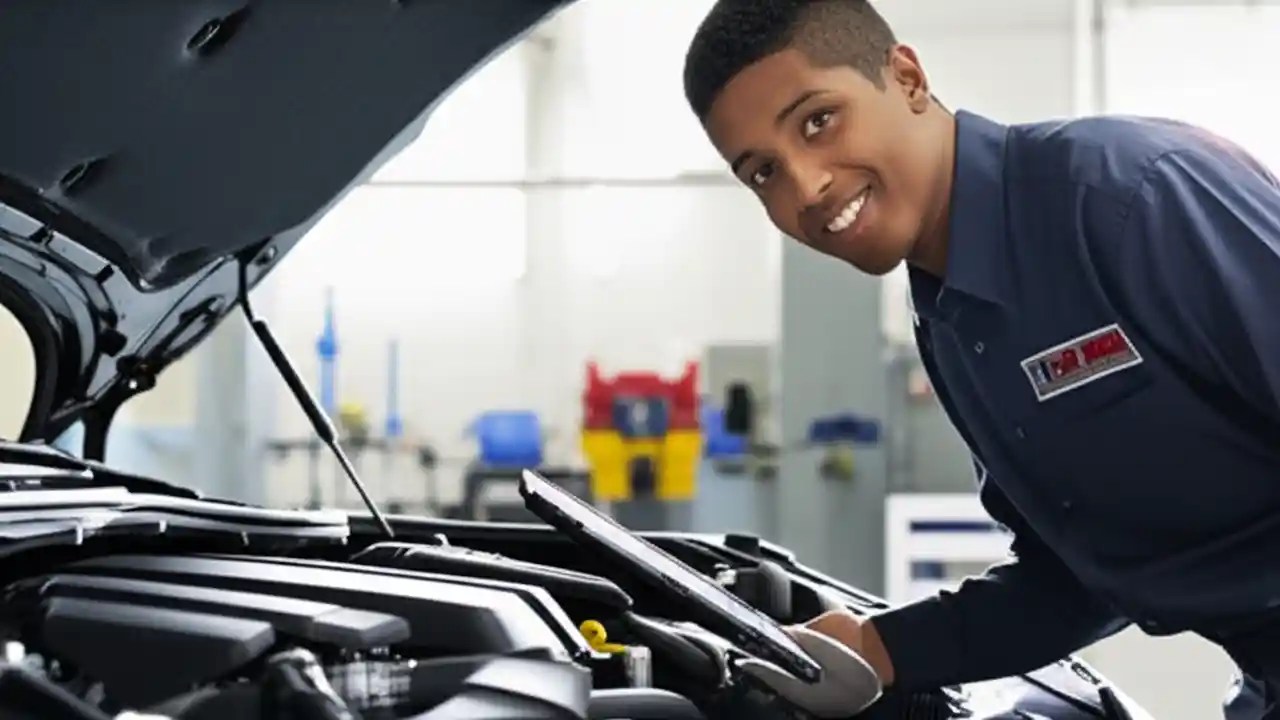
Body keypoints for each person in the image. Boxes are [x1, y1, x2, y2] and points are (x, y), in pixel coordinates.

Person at [680, 1, 1280, 717]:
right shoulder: (950, 323)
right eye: (763, 172)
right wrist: (876, 648)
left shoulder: (1131, 194)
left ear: (905, 77)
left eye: (818, 121)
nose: (805, 186)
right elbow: (1082, 579)